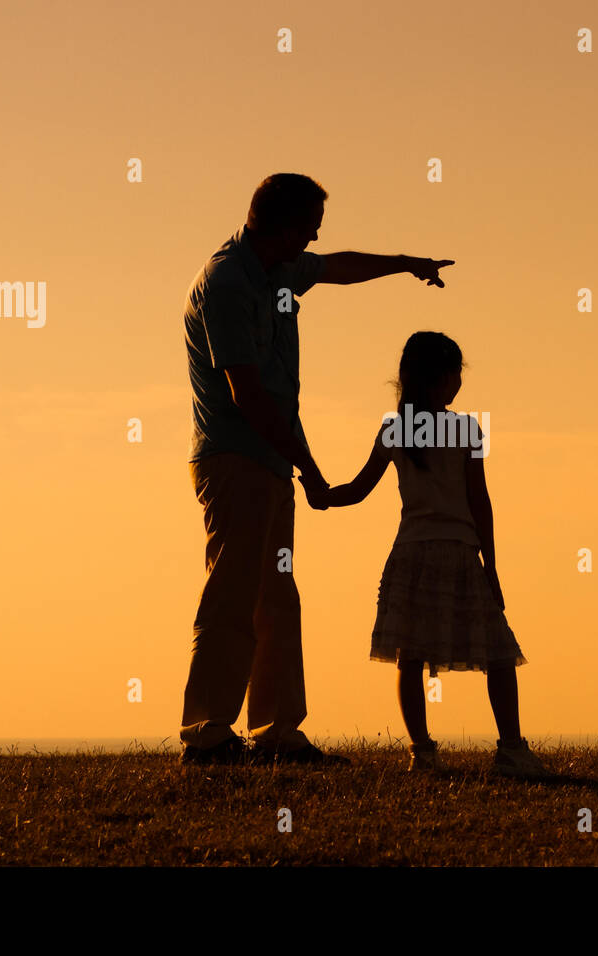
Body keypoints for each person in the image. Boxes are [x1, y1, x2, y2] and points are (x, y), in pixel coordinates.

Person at [180, 174, 454, 766]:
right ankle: (206, 734)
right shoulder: (227, 281)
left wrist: (407, 263)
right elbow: (246, 393)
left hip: (275, 459)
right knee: (232, 591)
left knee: (277, 596)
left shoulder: (280, 270)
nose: (312, 242)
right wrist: (309, 466)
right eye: (307, 230)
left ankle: (276, 731)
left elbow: (340, 267)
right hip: (236, 458)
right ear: (277, 225)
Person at [300, 331, 547, 778]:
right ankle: (510, 748)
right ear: (440, 379)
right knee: (497, 653)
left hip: (411, 552)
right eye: (455, 374)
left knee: (409, 655)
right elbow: (480, 501)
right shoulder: (467, 429)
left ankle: (423, 751)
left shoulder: (396, 428)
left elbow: (358, 490)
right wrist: (492, 567)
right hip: (458, 551)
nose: (459, 383)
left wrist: (323, 496)